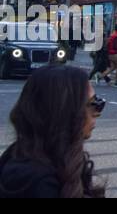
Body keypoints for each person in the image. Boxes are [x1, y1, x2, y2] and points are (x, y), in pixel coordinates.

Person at [0, 65, 106, 198]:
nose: (97, 113)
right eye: (92, 104)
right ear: (64, 112)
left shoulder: (56, 156)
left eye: (99, 102)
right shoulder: (35, 182)